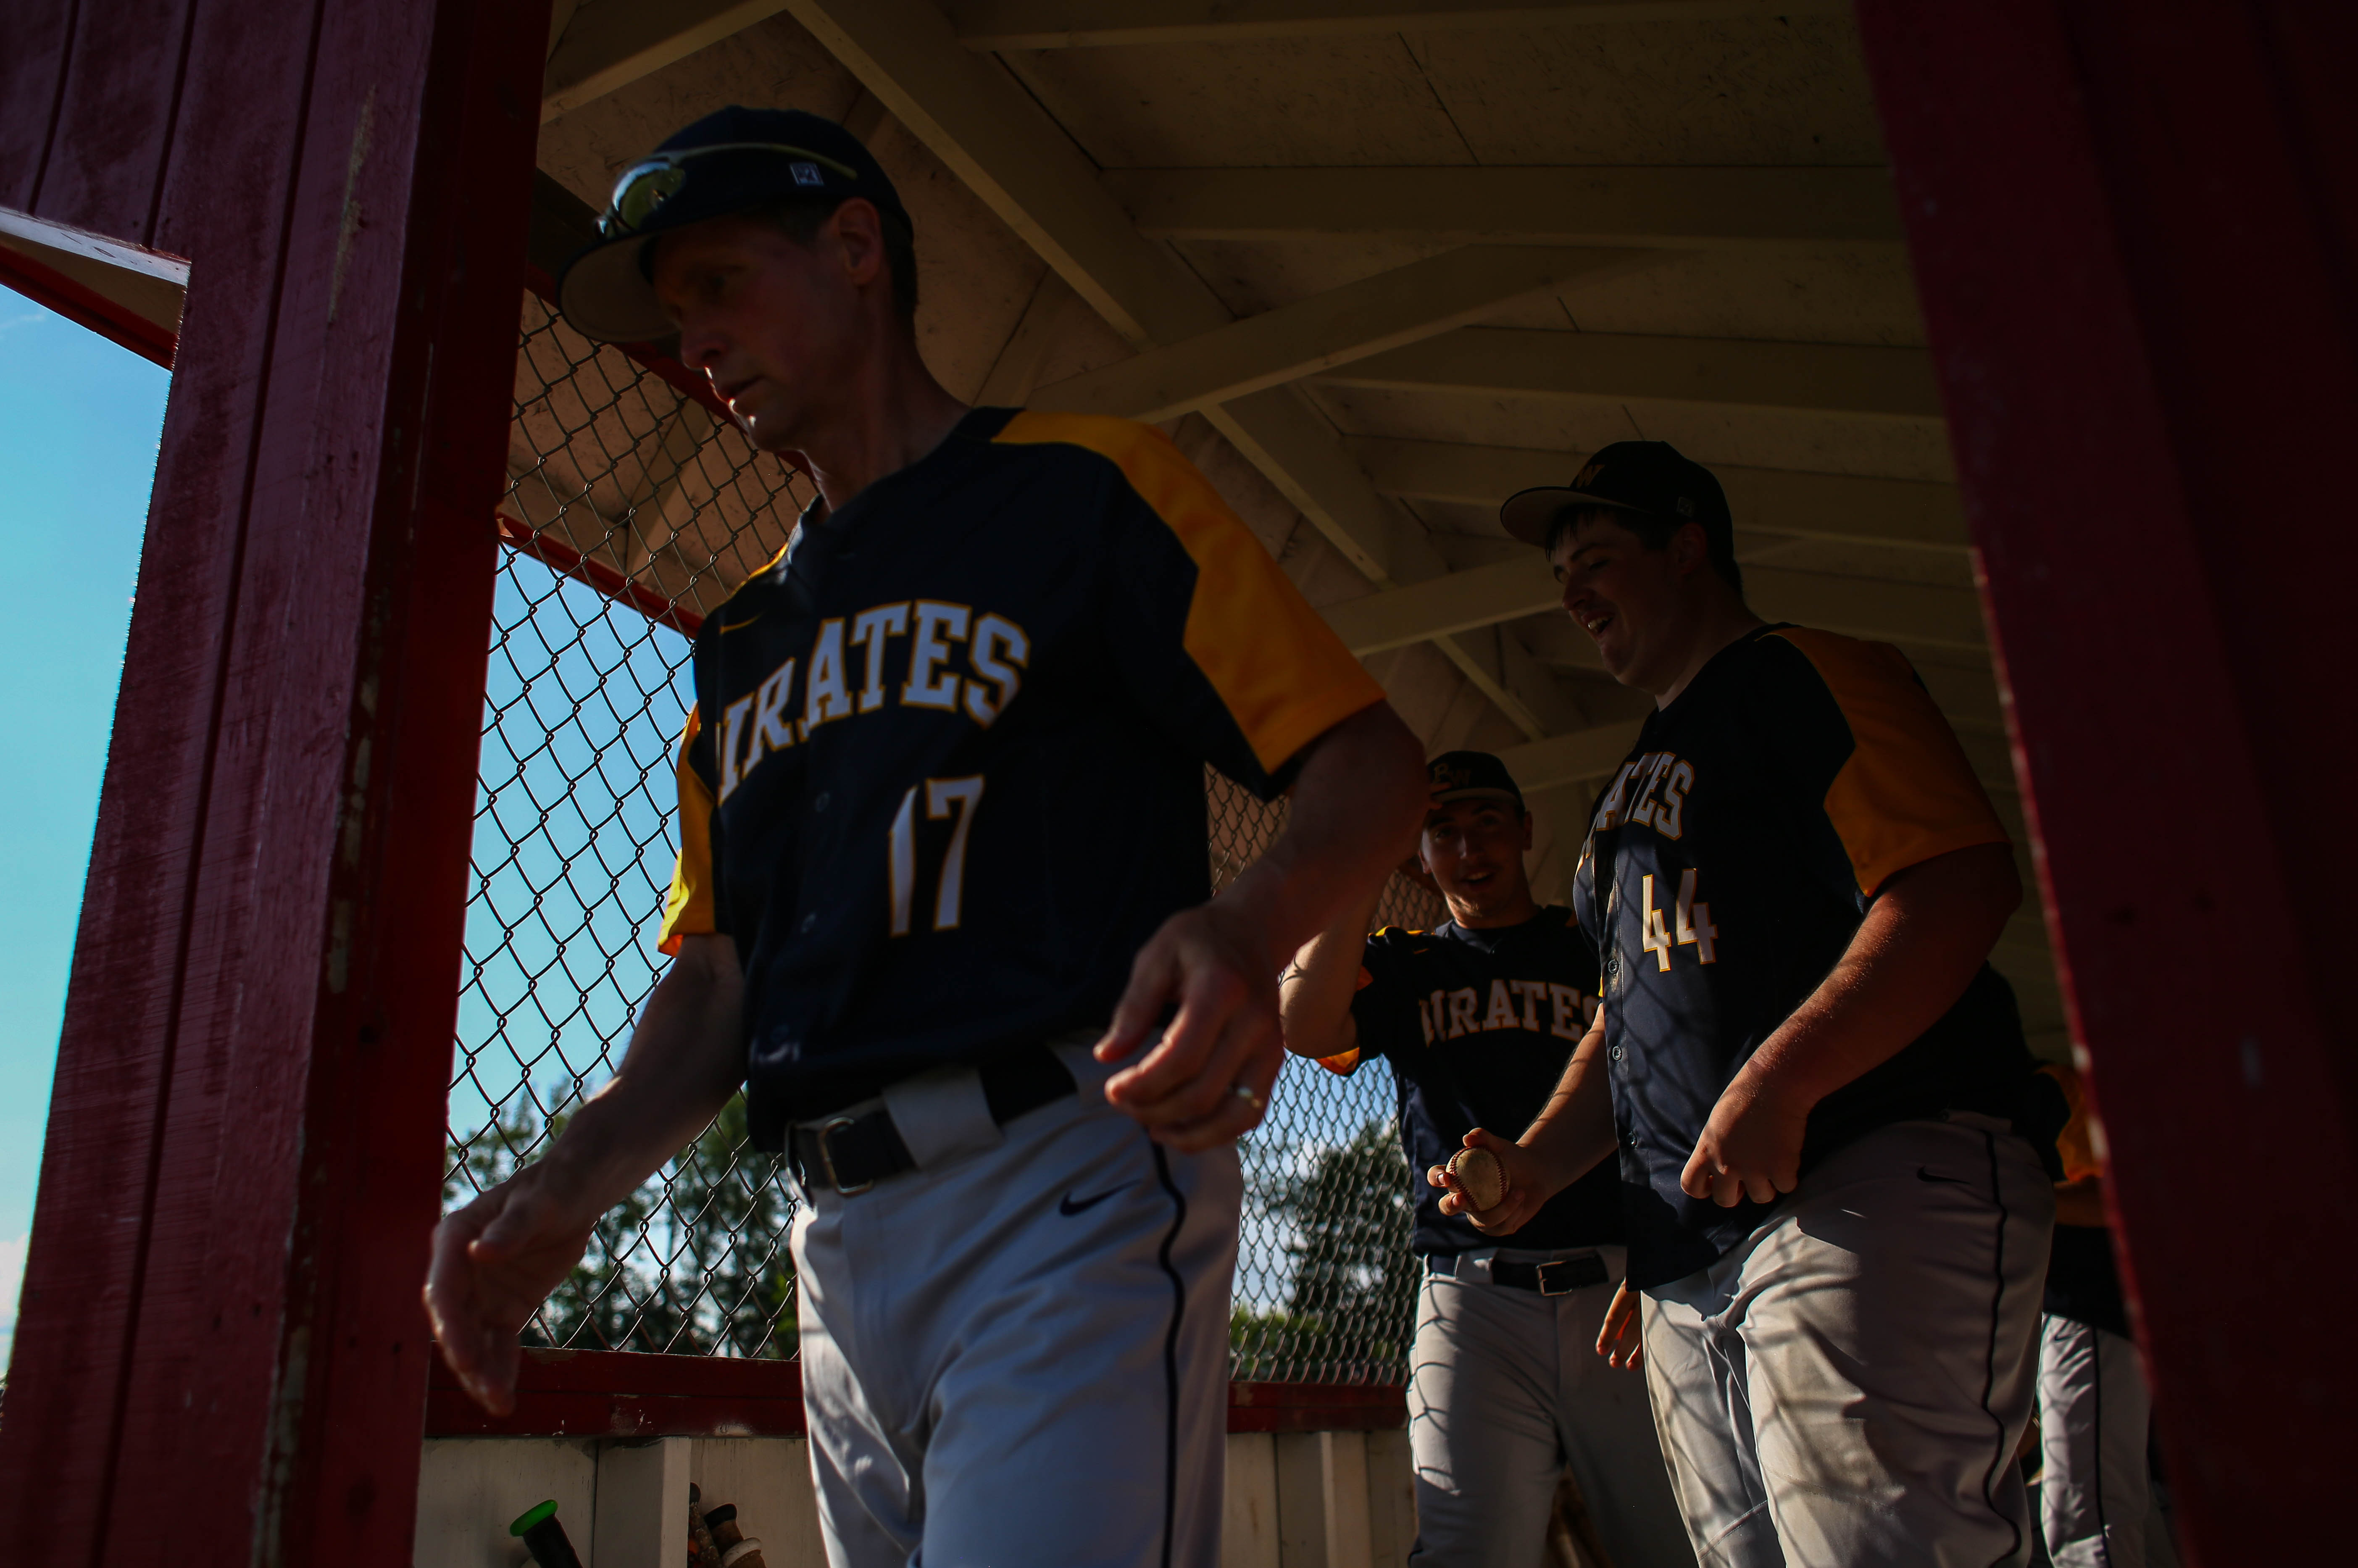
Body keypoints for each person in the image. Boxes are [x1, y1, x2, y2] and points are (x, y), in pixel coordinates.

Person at [421, 107, 1428, 1568]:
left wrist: (1248, 921)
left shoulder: (1083, 487)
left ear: (856, 248)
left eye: (715, 279)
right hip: (830, 1245)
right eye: (671, 309)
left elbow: (1370, 762)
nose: (690, 336)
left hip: (1061, 1181)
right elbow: (716, 981)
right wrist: (564, 1183)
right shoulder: (739, 646)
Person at [1460, 441, 2058, 1567]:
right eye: (1560, 576)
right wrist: (1541, 1159)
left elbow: (1956, 879)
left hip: (1863, 1166)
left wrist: (1785, 1075)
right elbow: (1623, 1012)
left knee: (1881, 1545)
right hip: (1688, 1249)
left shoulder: (1800, 674)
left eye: (1595, 557)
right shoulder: (1628, 783)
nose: (1573, 593)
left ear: (1687, 548)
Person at [1279, 751, 1695, 1567]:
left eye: (1486, 825)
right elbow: (1302, 1022)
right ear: (1419, 853)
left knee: (1672, 1542)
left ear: (1525, 831)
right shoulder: (1409, 963)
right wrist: (1366, 852)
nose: (1467, 849)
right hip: (1471, 1297)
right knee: (1466, 1549)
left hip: (1618, 1286)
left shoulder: (1589, 944)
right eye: (1440, 832)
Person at [2036, 1061, 2171, 1568]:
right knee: (2135, 1510)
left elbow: (2115, 1198)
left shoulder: (2047, 1087)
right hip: (2075, 1316)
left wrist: (2005, 1198)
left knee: (2087, 1516)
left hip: (2093, 1309)